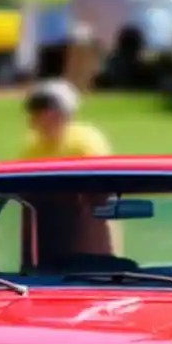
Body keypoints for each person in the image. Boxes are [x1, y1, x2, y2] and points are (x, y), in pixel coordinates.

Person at [19, 80, 120, 268]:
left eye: (43, 109)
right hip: (46, 233)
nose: (35, 116)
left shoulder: (85, 143)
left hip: (85, 233)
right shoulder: (32, 147)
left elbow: (102, 199)